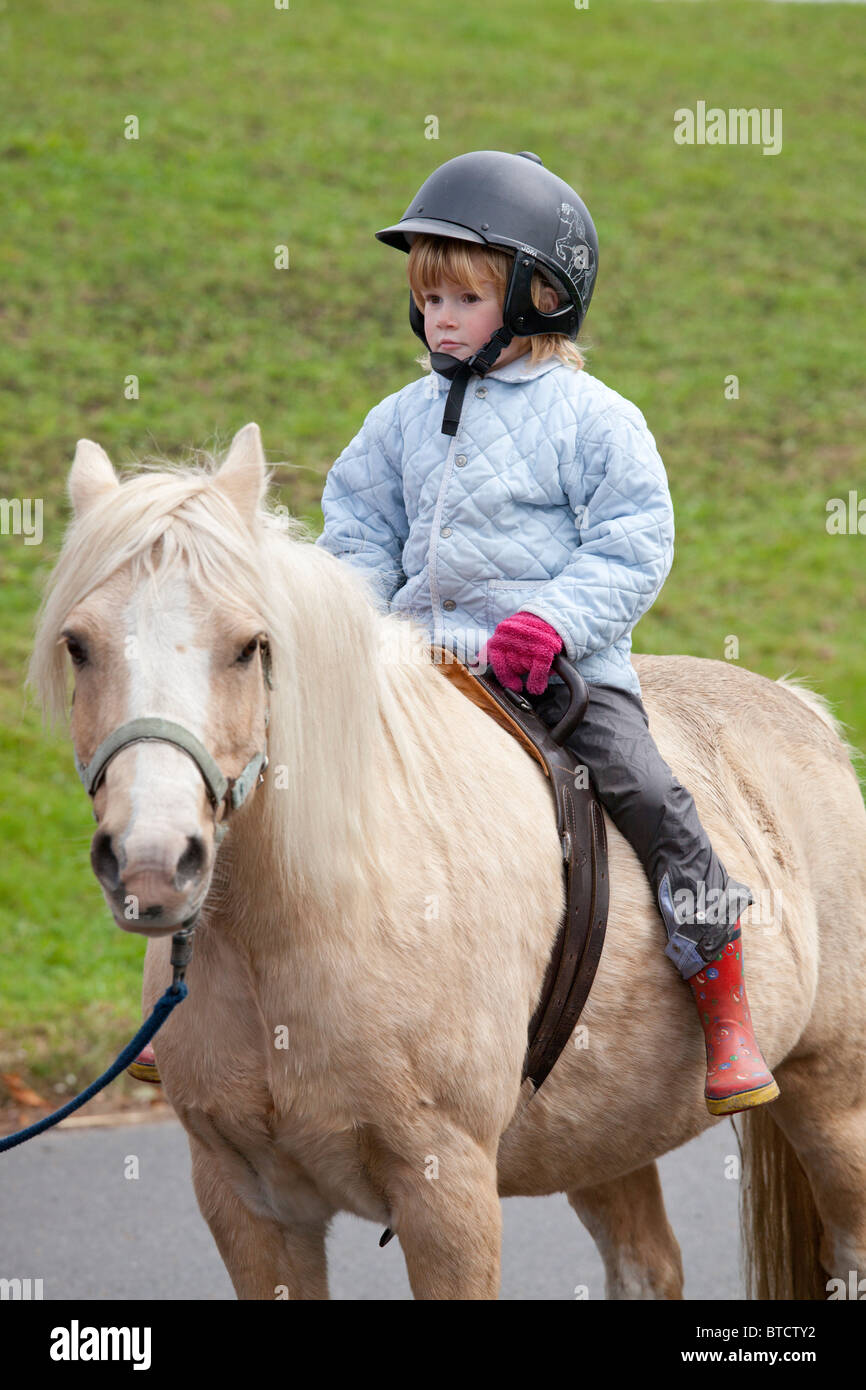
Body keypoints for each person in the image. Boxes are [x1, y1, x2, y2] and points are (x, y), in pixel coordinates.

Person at [323, 150, 780, 1117]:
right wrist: (351, 628)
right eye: (427, 298)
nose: (435, 318)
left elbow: (633, 542)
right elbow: (356, 532)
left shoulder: (595, 420)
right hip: (419, 663)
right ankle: (205, 1000)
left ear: (539, 298)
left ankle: (723, 998)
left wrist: (551, 624)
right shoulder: (398, 419)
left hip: (556, 670)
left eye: (459, 298)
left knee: (651, 795)